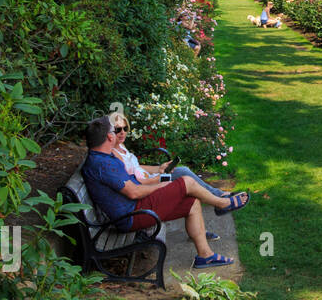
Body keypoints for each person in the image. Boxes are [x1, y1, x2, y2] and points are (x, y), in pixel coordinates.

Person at [81, 116, 249, 268]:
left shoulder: (103, 157)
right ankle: (222, 203)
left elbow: (133, 183)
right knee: (186, 182)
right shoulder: (102, 164)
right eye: (114, 131)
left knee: (191, 202)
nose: (119, 133)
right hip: (131, 215)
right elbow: (134, 192)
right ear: (110, 137)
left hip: (135, 208)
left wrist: (158, 179)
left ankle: (206, 256)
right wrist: (160, 186)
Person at [107, 111, 248, 243]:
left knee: (184, 174)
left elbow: (137, 167)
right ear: (109, 132)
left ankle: (206, 220)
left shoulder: (121, 146)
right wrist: (159, 178)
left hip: (150, 178)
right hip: (147, 187)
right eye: (118, 129)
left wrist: (159, 168)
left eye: (125, 128)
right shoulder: (113, 154)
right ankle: (221, 200)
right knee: (184, 177)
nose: (122, 133)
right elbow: (132, 182)